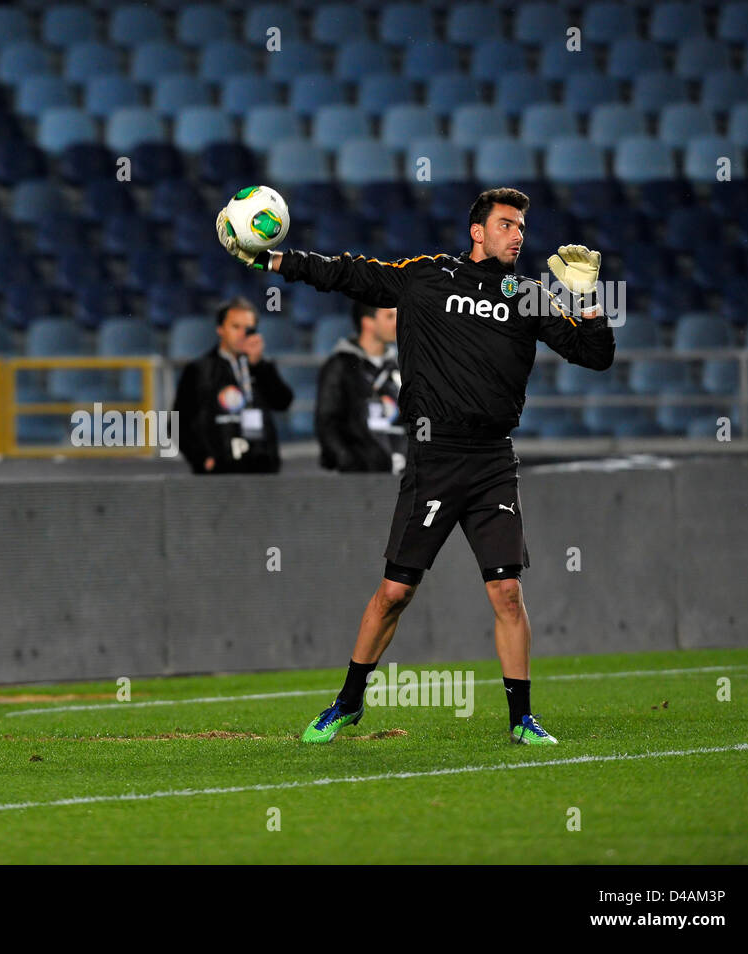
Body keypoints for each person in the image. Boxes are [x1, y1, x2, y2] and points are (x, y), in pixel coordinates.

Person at [219, 186, 615, 744]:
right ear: (478, 231)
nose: (518, 234)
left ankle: (522, 719)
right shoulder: (427, 277)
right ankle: (348, 702)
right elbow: (346, 274)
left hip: (494, 460)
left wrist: (589, 301)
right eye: (506, 224)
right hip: (436, 459)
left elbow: (595, 356)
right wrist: (271, 259)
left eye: (522, 226)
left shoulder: (527, 295)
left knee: (507, 592)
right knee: (394, 594)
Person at [173, 296, 294, 474]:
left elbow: (283, 402)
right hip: (219, 473)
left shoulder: (261, 367)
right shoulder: (199, 370)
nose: (242, 334)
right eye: (235, 327)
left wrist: (259, 365)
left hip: (262, 470)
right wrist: (203, 460)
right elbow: (177, 424)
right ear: (220, 329)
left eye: (248, 328)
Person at [315, 301, 405, 474]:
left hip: (402, 475)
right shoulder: (340, 366)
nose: (398, 322)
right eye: (389, 316)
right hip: (361, 477)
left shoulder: (400, 365)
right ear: (368, 323)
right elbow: (326, 422)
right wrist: (349, 463)